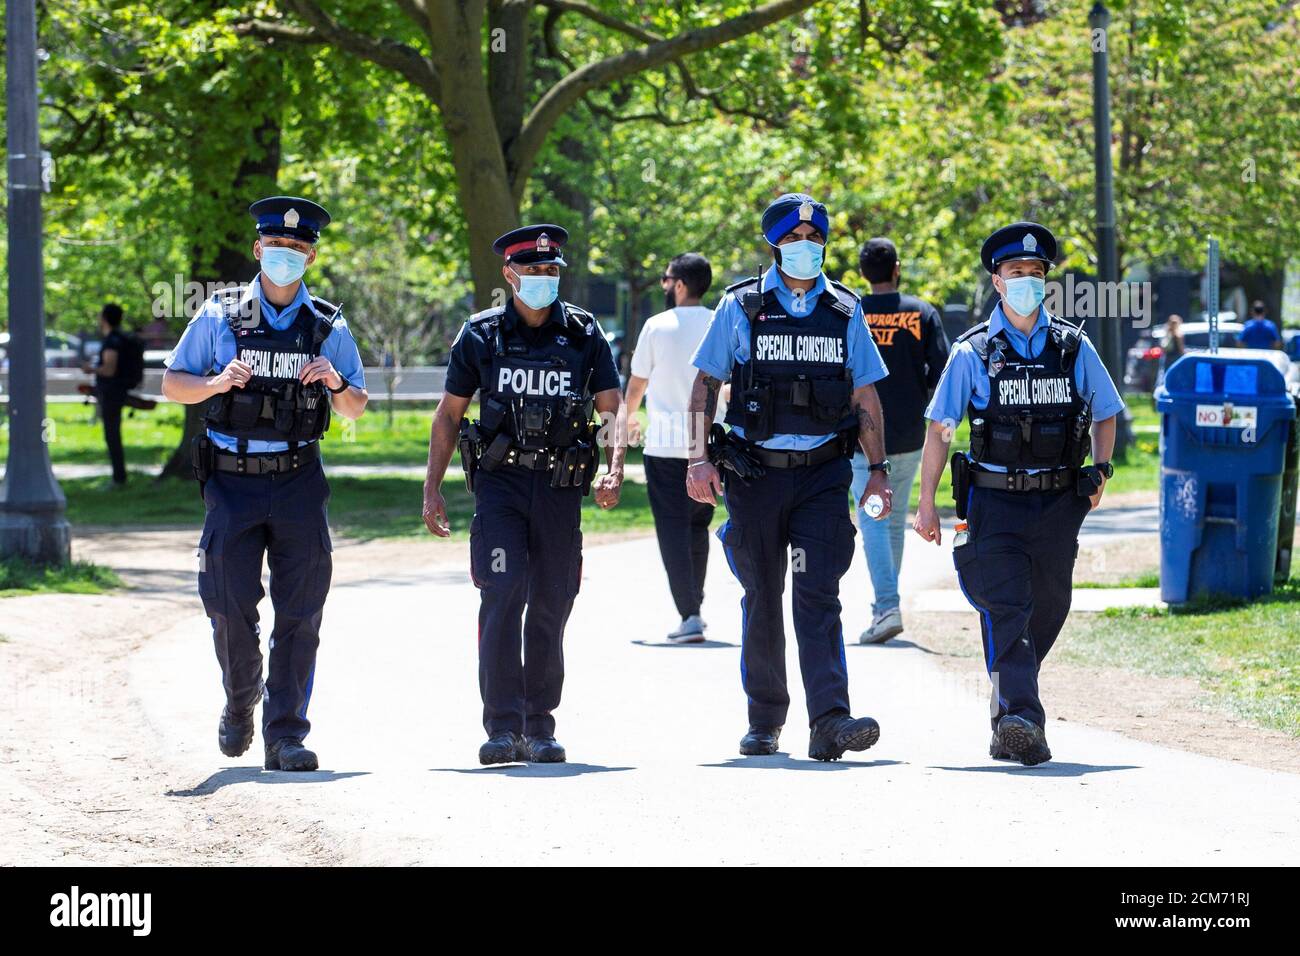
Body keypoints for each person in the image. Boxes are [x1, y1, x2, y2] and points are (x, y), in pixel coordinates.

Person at [162, 196, 368, 772]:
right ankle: (239, 698)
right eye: (278, 247)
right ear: (258, 249)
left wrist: (333, 383)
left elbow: (356, 405)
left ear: (312, 257)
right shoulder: (220, 315)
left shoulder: (327, 324)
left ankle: (286, 736)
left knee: (301, 612)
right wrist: (215, 382)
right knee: (227, 605)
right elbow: (172, 385)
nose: (287, 257)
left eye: (298, 249)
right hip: (232, 482)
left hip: (300, 479)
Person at [686, 193, 892, 762]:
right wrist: (698, 458)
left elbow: (864, 392)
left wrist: (877, 472)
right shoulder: (743, 307)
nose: (808, 247)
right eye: (797, 238)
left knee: (818, 593)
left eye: (816, 238)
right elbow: (705, 383)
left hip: (823, 474)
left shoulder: (846, 310)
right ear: (776, 244)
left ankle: (830, 719)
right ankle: (765, 718)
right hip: (755, 475)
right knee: (762, 594)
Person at [912, 221, 1125, 767]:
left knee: (1049, 606)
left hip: (1058, 502)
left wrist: (1100, 471)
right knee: (1008, 605)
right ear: (997, 280)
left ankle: (1006, 698)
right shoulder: (974, 352)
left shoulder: (1072, 347)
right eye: (1016, 273)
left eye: (1036, 273)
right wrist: (926, 500)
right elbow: (940, 429)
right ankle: (1024, 720)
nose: (1027, 280)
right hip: (993, 500)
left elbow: (1106, 412)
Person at [422, 224, 625, 766]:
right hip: (501, 487)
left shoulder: (584, 333)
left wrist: (614, 468)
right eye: (533, 270)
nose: (543, 278)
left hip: (560, 488)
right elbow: (448, 414)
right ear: (509, 274)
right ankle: (502, 726)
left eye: (551, 270)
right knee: (503, 590)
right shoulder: (480, 334)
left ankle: (540, 725)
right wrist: (431, 489)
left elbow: (611, 407)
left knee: (554, 600)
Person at [852, 238, 949, 644]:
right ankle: (887, 604)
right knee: (892, 519)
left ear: (863, 274)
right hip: (910, 434)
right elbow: (942, 367)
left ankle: (886, 605)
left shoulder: (850, 311)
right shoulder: (921, 312)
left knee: (874, 519)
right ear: (896, 269)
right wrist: (919, 397)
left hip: (860, 435)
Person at [625, 253, 723, 643]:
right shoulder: (720, 321)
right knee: (698, 527)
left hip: (666, 446)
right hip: (711, 444)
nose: (664, 286)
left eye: (666, 280)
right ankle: (693, 605)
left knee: (672, 531)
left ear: (679, 284)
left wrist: (626, 419)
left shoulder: (657, 326)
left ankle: (690, 613)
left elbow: (637, 385)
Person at [80, 303, 142, 487]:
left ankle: (119, 477)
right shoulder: (122, 339)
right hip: (118, 390)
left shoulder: (112, 341)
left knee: (112, 434)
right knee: (113, 433)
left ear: (104, 318)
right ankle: (119, 476)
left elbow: (109, 369)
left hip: (111, 392)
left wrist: (90, 369)